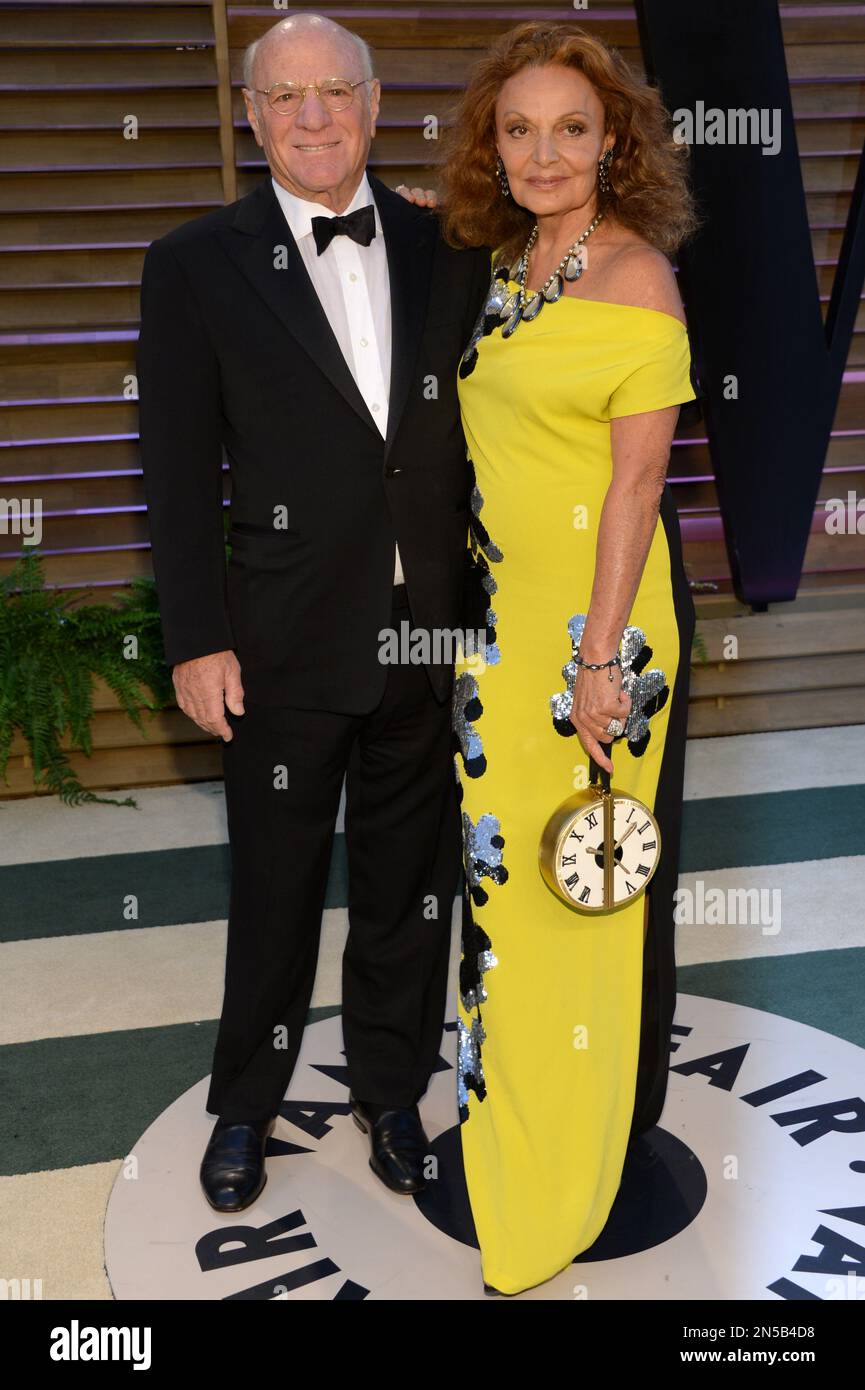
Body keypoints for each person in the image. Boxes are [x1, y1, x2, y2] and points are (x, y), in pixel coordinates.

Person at [136, 11, 490, 1212]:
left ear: (376, 103)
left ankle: (392, 1091)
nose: (314, 116)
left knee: (410, 883)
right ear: (251, 118)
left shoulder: (453, 245)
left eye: (334, 91)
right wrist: (194, 636)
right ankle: (247, 1104)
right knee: (274, 889)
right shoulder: (194, 262)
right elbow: (176, 469)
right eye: (285, 97)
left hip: (430, 633)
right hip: (280, 636)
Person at [431, 20, 698, 1294]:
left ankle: (573, 1164)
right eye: (519, 127)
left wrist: (596, 661)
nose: (543, 151)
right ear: (494, 139)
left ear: (616, 143)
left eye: (572, 129)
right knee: (504, 908)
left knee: (578, 899)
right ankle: (510, 1118)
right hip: (500, 633)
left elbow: (638, 486)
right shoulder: (511, 260)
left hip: (597, 637)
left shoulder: (638, 277)